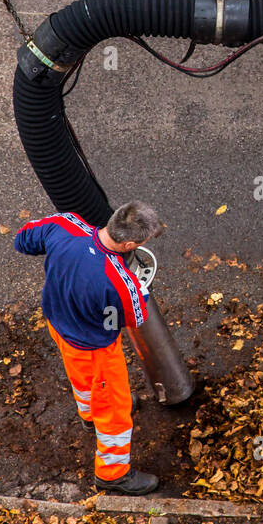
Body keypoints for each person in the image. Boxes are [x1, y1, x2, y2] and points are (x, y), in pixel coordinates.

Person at [14, 202, 163, 495]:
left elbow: (23, 239)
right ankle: (113, 473)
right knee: (116, 409)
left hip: (58, 325)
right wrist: (137, 289)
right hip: (96, 348)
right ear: (130, 244)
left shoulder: (65, 225)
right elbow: (135, 317)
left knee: (81, 379)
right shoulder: (120, 282)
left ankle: (88, 416)